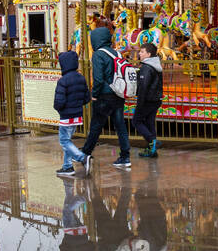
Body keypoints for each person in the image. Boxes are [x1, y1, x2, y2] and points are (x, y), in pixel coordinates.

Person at [77, 24, 131, 171]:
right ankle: (125, 156)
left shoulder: (98, 54)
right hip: (118, 94)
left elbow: (99, 78)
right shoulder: (117, 53)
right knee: (120, 125)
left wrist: (94, 95)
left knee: (96, 125)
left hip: (104, 95)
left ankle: (86, 152)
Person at [53, 47, 90, 177]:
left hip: (66, 116)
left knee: (64, 141)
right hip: (77, 115)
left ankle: (82, 158)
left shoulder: (63, 81)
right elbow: (87, 98)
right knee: (68, 141)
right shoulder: (81, 78)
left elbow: (59, 102)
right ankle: (67, 167)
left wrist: (59, 108)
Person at [132, 41, 163, 159]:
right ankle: (152, 150)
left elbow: (144, 86)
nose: (140, 53)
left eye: (142, 51)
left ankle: (152, 141)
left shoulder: (146, 67)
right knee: (150, 122)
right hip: (156, 99)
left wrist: (140, 102)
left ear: (149, 54)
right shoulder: (156, 66)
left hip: (148, 99)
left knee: (136, 121)